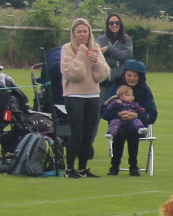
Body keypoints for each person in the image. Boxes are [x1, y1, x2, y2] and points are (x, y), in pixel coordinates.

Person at [56, 19, 109, 177]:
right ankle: (70, 168)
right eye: (79, 31)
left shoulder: (95, 48)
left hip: (93, 94)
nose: (82, 35)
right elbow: (73, 74)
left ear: (89, 33)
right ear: (73, 33)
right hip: (74, 95)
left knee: (88, 132)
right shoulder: (67, 49)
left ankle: (83, 168)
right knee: (76, 132)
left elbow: (102, 75)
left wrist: (96, 61)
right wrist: (80, 54)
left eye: (85, 31)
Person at [103, 60, 157, 176]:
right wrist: (118, 114)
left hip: (137, 125)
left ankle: (133, 166)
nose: (132, 78)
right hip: (118, 124)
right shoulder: (116, 88)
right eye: (129, 75)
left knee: (132, 131)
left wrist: (137, 115)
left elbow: (152, 114)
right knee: (120, 132)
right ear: (124, 75)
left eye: (135, 76)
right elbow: (103, 111)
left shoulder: (145, 90)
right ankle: (114, 166)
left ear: (140, 77)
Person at [99, 13, 133, 96]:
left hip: (120, 81)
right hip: (103, 81)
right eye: (111, 23)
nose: (114, 25)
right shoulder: (100, 39)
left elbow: (125, 56)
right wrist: (117, 55)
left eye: (117, 23)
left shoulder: (126, 40)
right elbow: (98, 55)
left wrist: (108, 48)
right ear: (107, 25)